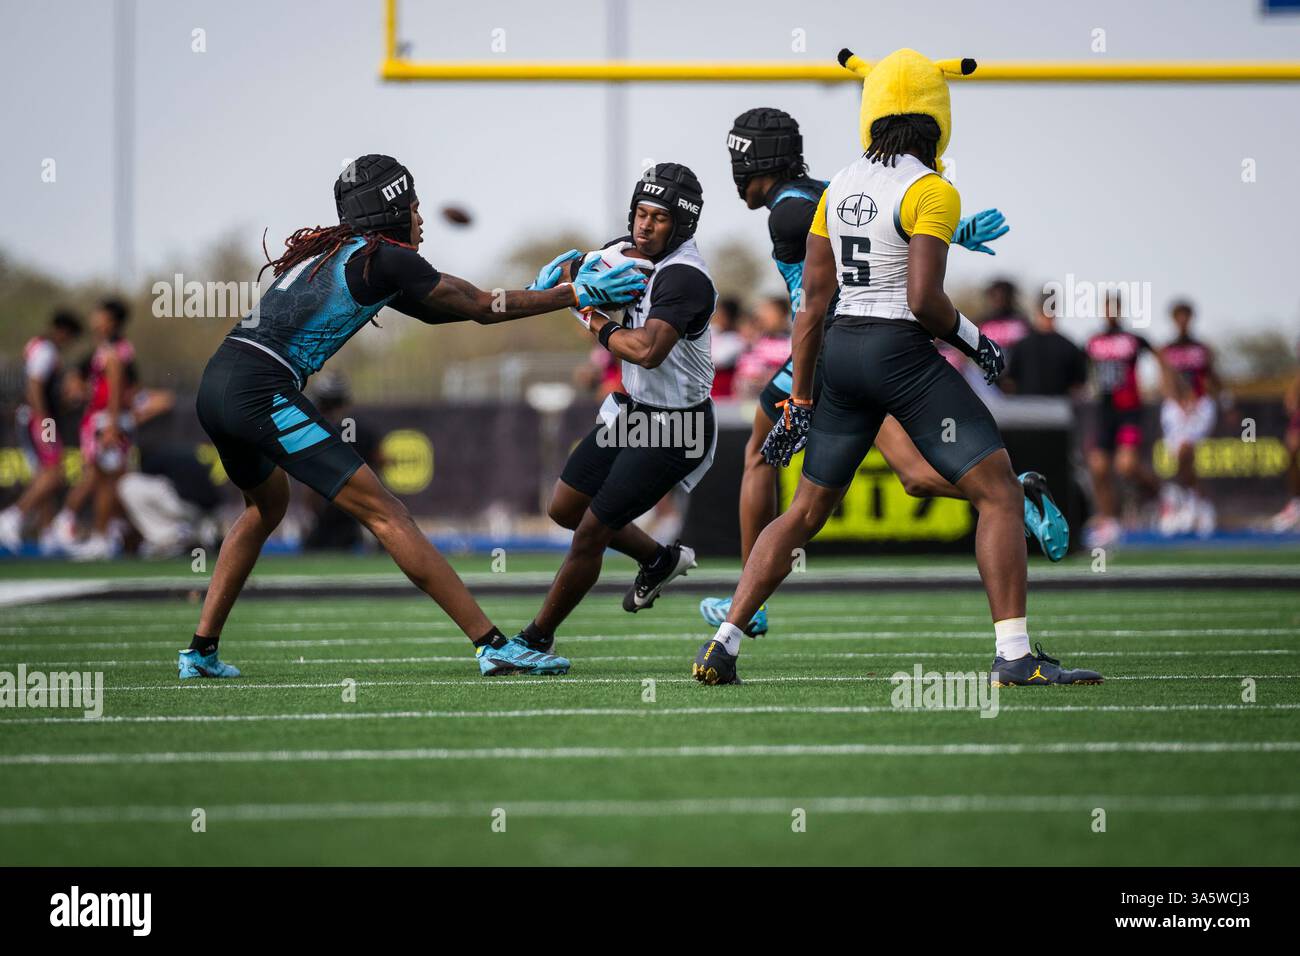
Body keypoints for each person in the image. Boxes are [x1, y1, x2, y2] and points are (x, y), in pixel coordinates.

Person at [692, 48, 1101, 687]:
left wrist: (800, 399)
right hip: (898, 352)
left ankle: (723, 644)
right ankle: (1016, 657)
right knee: (995, 493)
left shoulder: (843, 187)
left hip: (841, 357)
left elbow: (813, 307)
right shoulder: (931, 188)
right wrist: (979, 342)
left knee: (803, 512)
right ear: (937, 119)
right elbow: (924, 302)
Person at [183, 154, 646, 680]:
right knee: (387, 513)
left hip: (217, 381)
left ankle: (200, 651)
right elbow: (476, 304)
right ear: (391, 210)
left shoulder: (337, 253)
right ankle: (492, 644)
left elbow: (458, 308)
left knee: (266, 507)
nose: (421, 218)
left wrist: (543, 294)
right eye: (415, 207)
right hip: (258, 390)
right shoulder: (385, 258)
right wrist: (572, 293)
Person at [510, 163, 716, 660]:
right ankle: (659, 558)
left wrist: (588, 314)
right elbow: (587, 265)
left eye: (659, 218)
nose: (644, 226)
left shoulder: (684, 277)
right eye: (640, 214)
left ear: (682, 226)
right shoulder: (630, 247)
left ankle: (536, 638)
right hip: (631, 407)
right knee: (564, 509)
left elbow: (646, 350)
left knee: (591, 533)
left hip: (676, 423)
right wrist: (561, 282)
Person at [1083, 291, 1176, 547]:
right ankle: (1109, 521)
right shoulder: (1093, 341)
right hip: (1104, 412)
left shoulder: (1134, 339)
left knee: (1127, 466)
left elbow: (1161, 358)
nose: (1110, 312)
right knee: (1099, 467)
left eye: (1114, 308)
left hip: (1130, 411)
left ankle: (1163, 492)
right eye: (1106, 308)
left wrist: (1165, 388)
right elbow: (1084, 372)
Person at [54, 299, 139, 560]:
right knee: (101, 477)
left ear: (111, 321)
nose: (94, 320)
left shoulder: (115, 351)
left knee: (106, 480)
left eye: (99, 316)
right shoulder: (103, 350)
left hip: (105, 422)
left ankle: (100, 534)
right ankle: (99, 533)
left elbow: (115, 390)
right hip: (100, 421)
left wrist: (112, 424)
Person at [0, 310, 83, 553]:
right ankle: (12, 517)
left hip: (36, 417)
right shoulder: (46, 350)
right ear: (64, 332)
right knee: (54, 474)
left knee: (44, 476)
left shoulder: (40, 347)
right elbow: (34, 385)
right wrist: (43, 418)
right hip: (39, 419)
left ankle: (47, 534)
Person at [1157, 301, 1220, 536]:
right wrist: (1177, 399)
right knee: (1182, 459)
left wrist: (1219, 399)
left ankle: (1191, 502)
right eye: (1178, 316)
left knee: (1186, 451)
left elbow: (1212, 377)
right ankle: (1196, 503)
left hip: (1199, 406)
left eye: (1186, 316)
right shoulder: (1166, 349)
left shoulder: (1202, 348)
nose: (1182, 320)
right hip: (1175, 408)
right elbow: (1164, 381)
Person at [1003, 289, 1088, 397]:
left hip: (1048, 408)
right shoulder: (1069, 346)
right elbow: (1010, 382)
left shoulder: (1021, 345)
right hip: (1031, 407)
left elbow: (1078, 385)